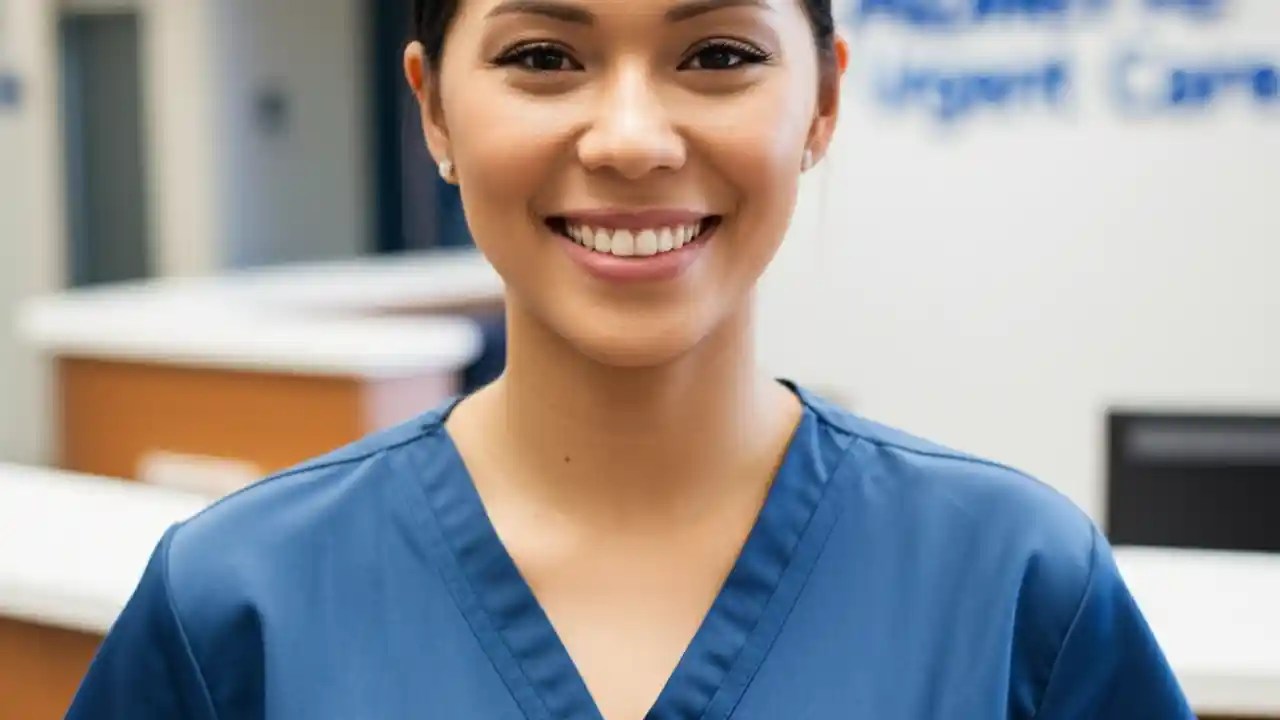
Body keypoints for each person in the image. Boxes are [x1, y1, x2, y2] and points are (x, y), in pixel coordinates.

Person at [67, 0, 1194, 718]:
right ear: (436, 114)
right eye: (543, 56)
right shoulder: (233, 608)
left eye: (714, 54)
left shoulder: (1012, 587)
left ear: (822, 102)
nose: (631, 139)